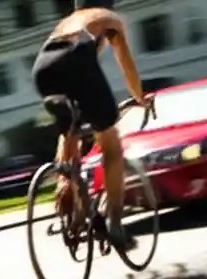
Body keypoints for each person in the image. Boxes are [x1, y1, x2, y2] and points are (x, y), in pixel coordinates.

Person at [32, 0, 147, 249]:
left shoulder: (68, 23)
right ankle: (115, 226)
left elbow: (77, 81)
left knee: (69, 130)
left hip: (42, 67)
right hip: (75, 59)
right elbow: (126, 65)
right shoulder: (109, 18)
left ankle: (69, 193)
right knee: (111, 143)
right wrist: (140, 97)